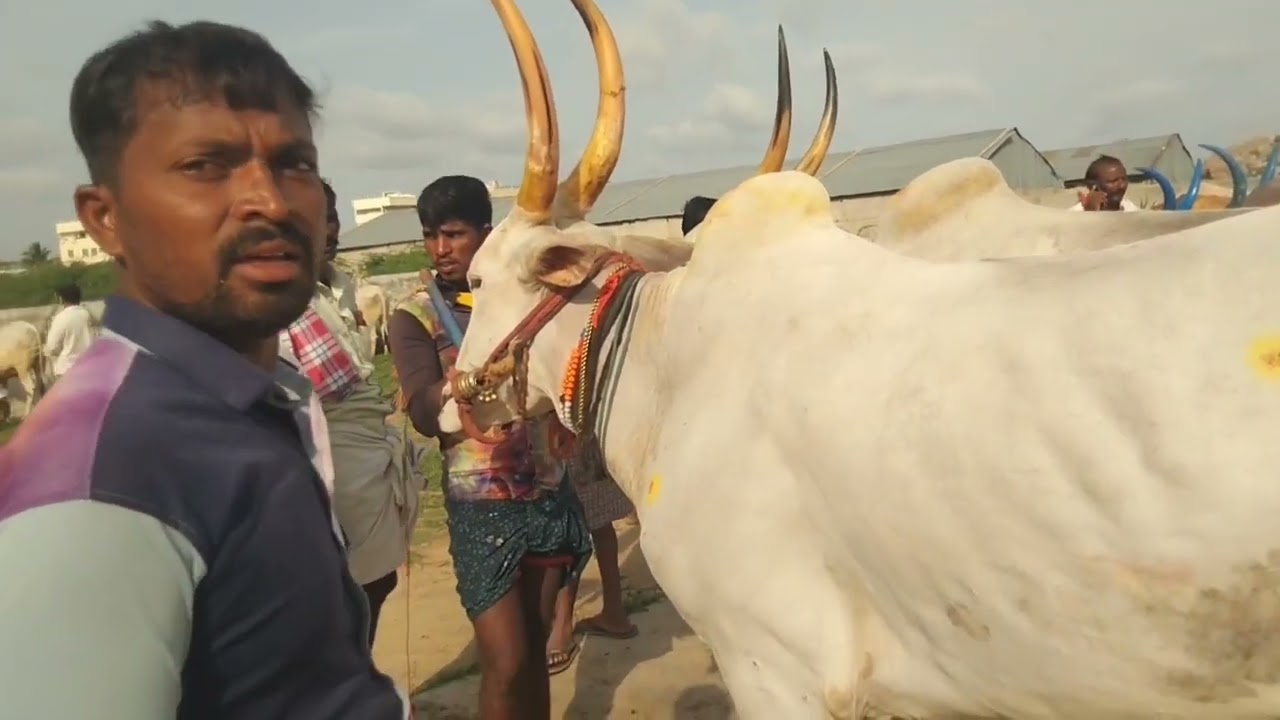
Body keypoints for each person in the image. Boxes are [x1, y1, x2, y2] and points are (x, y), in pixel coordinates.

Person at [0, 21, 410, 719]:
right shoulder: (99, 484)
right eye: (206, 166)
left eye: (294, 163)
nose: (271, 201)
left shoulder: (251, 406)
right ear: (104, 219)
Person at [388, 174, 592, 719]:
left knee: (538, 650)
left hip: (547, 496)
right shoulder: (414, 314)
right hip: (482, 510)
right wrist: (466, 384)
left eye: (453, 234)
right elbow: (427, 414)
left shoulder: (530, 300)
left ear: (487, 232)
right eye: (431, 235)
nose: (440, 249)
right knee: (504, 660)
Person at [280, 177, 426, 647]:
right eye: (311, 220)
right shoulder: (276, 303)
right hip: (325, 470)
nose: (328, 230)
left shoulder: (338, 290)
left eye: (331, 216)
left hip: (364, 466)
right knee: (343, 597)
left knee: (377, 582)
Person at [546, 446, 638, 675]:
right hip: (584, 430)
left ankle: (562, 628)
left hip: (562, 430)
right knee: (597, 520)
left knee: (568, 521)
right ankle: (613, 611)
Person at [318, 179, 361, 324]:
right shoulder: (287, 305)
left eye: (331, 218)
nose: (329, 232)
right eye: (315, 222)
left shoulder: (342, 283)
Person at [43, 281, 95, 379]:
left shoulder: (61, 318)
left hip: (67, 370)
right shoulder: (86, 314)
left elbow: (51, 347)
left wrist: (46, 350)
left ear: (61, 299)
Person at [1070, 155, 1138, 212]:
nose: (1122, 186)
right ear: (1093, 186)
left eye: (1124, 179)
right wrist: (1091, 213)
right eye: (1113, 181)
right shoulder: (1073, 216)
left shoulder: (1129, 209)